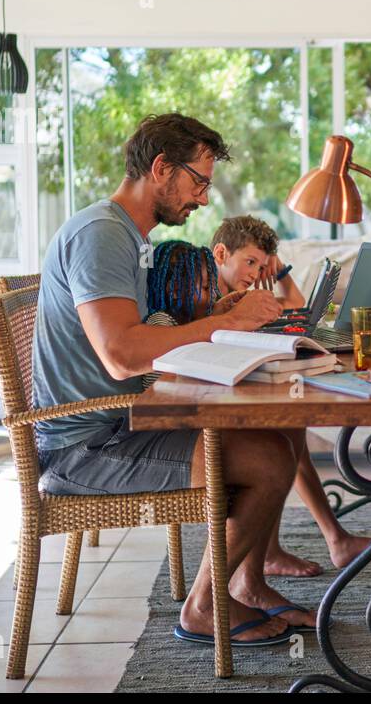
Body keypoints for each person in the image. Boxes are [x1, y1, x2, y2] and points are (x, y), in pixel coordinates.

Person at [31, 112, 315, 646]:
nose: (204, 199)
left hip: (118, 424)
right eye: (198, 181)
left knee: (277, 438)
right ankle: (204, 606)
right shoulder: (102, 235)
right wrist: (221, 325)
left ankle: (247, 587)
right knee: (271, 458)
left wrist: (217, 316)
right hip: (85, 447)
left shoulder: (127, 237)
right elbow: (120, 354)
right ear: (161, 168)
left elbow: (141, 332)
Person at [146, 235, 371, 577]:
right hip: (175, 438)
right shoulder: (164, 323)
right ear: (177, 290)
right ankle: (251, 575)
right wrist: (220, 323)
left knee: (287, 430)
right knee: (272, 447)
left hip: (194, 420)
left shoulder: (184, 318)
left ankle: (291, 550)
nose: (210, 295)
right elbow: (181, 377)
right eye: (203, 287)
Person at [210, 215, 306, 309]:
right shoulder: (198, 300)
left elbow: (296, 303)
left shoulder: (239, 301)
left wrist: (279, 267)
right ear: (221, 254)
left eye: (261, 268)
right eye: (250, 262)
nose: (255, 276)